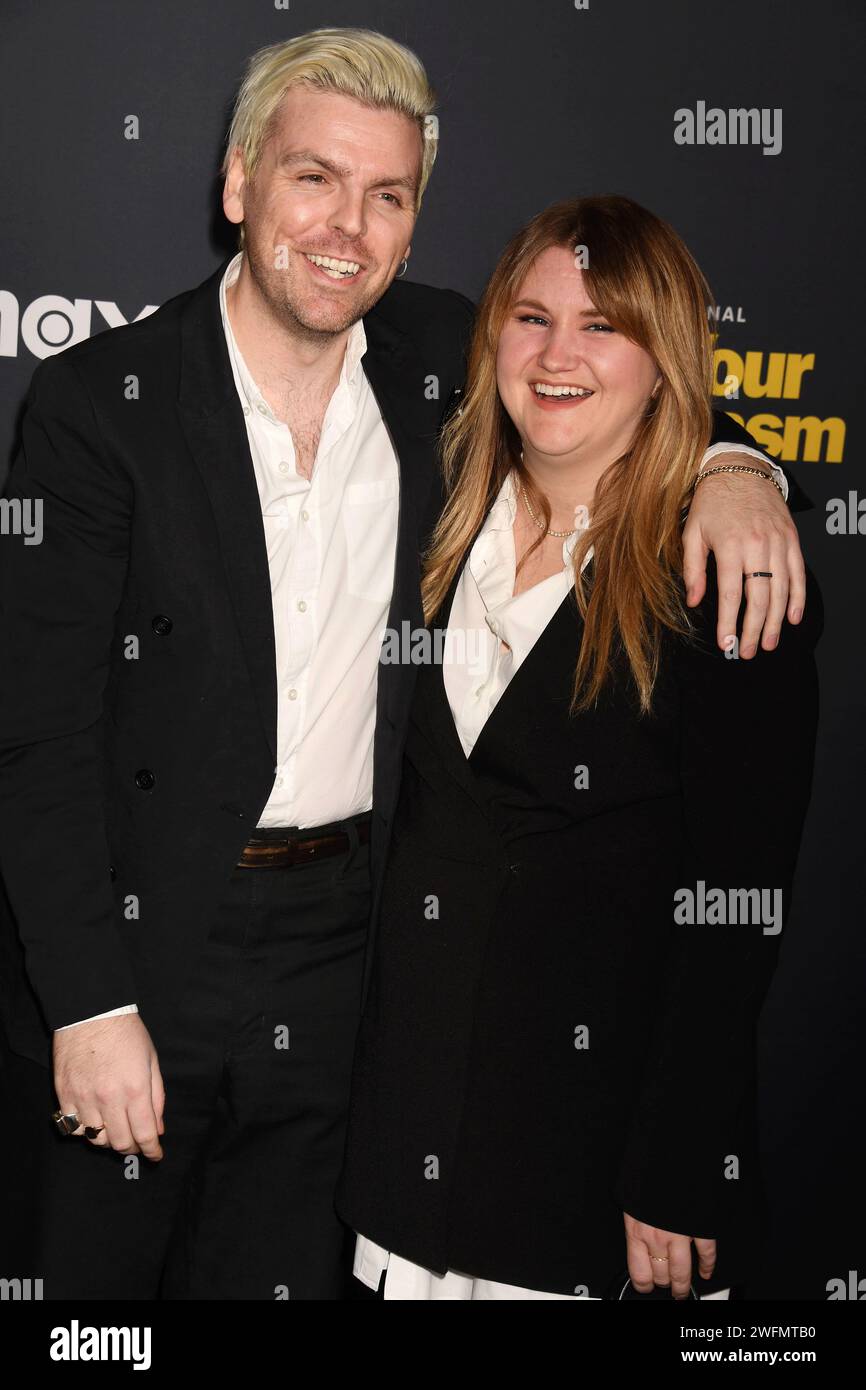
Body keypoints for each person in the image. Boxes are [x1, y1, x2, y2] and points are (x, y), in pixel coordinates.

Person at [0, 27, 803, 1300]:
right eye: (314, 177)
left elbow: (612, 364)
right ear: (237, 183)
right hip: (143, 944)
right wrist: (89, 1006)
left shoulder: (444, 364)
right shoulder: (107, 405)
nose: (346, 227)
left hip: (354, 956)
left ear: (415, 225)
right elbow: (34, 737)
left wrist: (736, 466)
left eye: (386, 196)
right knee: (88, 1312)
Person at [335, 195, 822, 1301]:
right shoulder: (436, 506)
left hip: (582, 1181)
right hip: (400, 1162)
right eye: (531, 317)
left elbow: (736, 909)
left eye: (603, 326)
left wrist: (677, 1163)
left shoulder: (721, 580)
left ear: (667, 360)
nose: (557, 355)